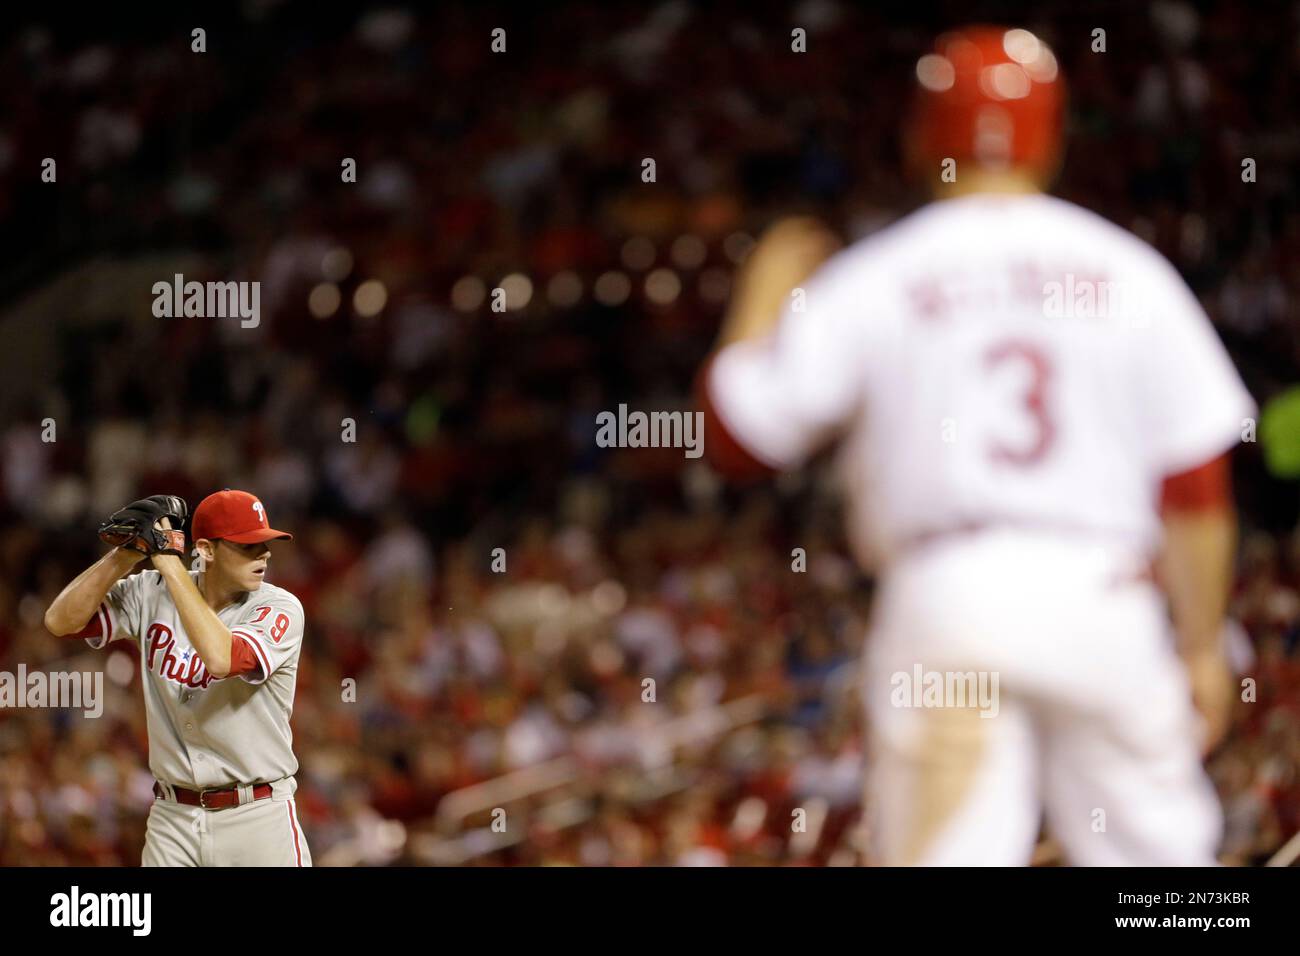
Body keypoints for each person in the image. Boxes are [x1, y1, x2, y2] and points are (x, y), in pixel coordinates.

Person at [697, 26, 1253, 865]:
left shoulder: (881, 273)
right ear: (1053, 136)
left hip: (947, 596)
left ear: (923, 137)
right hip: (1102, 598)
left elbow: (738, 440)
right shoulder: (1128, 270)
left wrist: (760, 301)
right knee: (1167, 876)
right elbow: (1196, 485)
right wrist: (1203, 646)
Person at [44, 489, 311, 866]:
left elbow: (221, 658)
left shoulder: (278, 606)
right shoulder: (150, 590)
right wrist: (127, 555)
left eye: (265, 543)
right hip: (173, 816)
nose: (263, 554)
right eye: (247, 546)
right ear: (206, 549)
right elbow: (60, 621)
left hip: (257, 815)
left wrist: (166, 561)